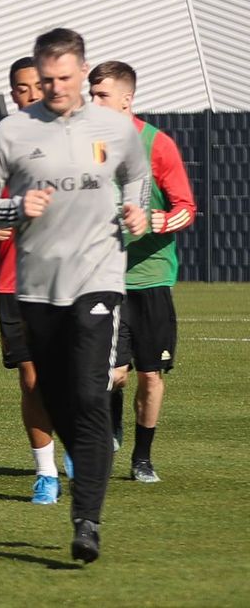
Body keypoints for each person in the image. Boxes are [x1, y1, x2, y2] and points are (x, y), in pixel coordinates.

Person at [0, 27, 150, 564]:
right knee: (55, 396)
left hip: (98, 277)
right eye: (46, 80)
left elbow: (137, 177)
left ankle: (86, 519)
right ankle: (84, 459)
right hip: (36, 288)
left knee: (90, 395)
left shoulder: (115, 128)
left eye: (65, 78)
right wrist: (15, 209)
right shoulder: (12, 132)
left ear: (82, 71)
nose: (56, 88)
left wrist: (135, 212)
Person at [88, 60, 197, 484]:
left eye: (101, 95)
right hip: (104, 276)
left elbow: (185, 207)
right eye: (91, 95)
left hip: (150, 277)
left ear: (126, 100)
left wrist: (158, 221)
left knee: (150, 376)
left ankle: (142, 458)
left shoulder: (157, 144)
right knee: (111, 374)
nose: (93, 103)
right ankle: (109, 424)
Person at [0, 55, 65, 503]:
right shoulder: (2, 146)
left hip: (70, 276)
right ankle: (46, 471)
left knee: (74, 376)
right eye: (21, 88)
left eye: (36, 85)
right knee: (31, 376)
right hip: (14, 281)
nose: (31, 94)